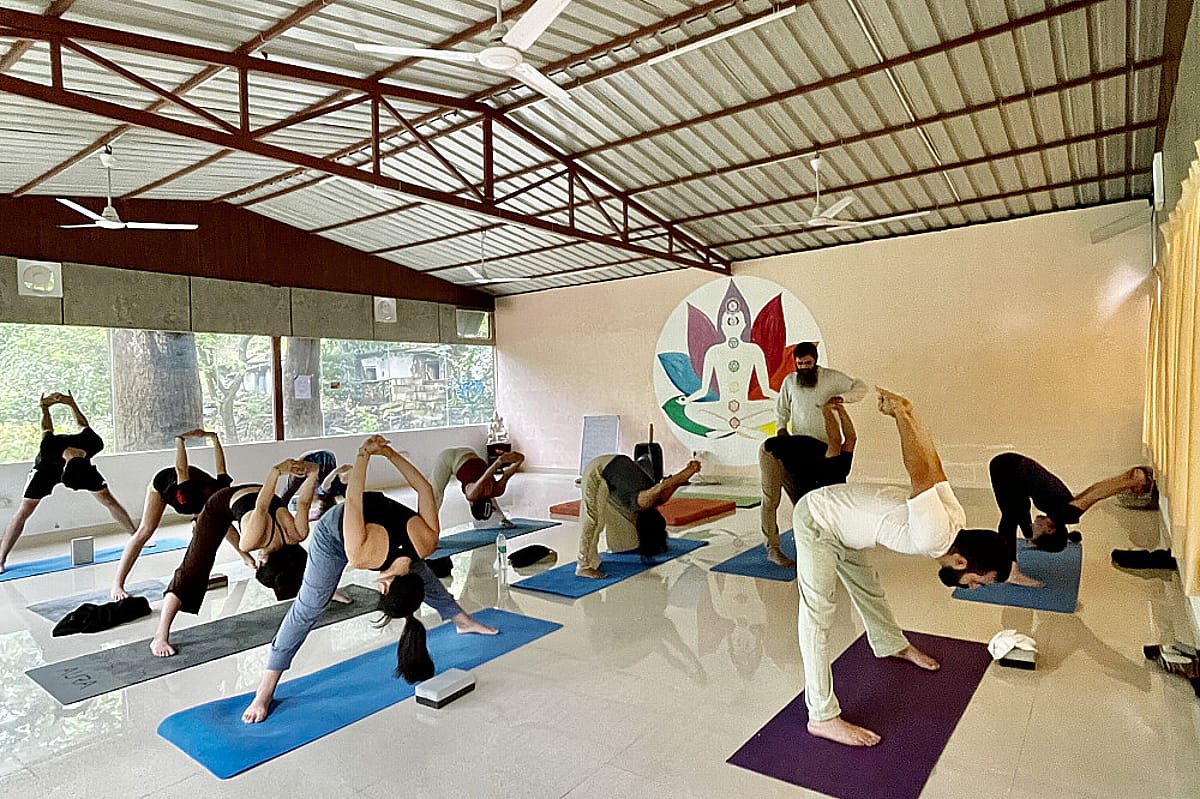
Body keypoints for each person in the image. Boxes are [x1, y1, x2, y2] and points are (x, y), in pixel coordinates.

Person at [794, 388, 1011, 747]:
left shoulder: (956, 519)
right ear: (961, 561)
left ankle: (891, 644)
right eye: (978, 582)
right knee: (817, 614)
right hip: (817, 519)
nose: (974, 587)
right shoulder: (936, 538)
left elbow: (934, 466)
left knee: (869, 589)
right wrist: (900, 416)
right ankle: (821, 715)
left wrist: (910, 415)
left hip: (842, 524)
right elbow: (920, 474)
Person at [241, 435, 497, 724]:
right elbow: (356, 499)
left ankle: (461, 621)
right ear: (383, 586)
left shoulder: (412, 546)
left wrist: (373, 454)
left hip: (355, 526)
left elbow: (418, 488)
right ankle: (264, 691)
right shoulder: (396, 548)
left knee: (418, 572)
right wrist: (377, 454)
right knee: (309, 607)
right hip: (331, 534)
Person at [149, 459, 321, 657]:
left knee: (296, 559)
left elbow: (303, 502)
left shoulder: (297, 533)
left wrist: (313, 473)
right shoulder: (254, 539)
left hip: (254, 495)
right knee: (193, 570)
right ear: (263, 563)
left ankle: (316, 589)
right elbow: (261, 507)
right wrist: (274, 472)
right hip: (218, 504)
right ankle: (160, 635)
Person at [0, 392, 135, 573]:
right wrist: (45, 408)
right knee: (24, 511)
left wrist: (72, 403)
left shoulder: (94, 444)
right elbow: (47, 428)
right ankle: (1, 559)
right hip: (45, 471)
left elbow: (83, 424)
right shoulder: (49, 447)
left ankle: (137, 535)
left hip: (81, 470)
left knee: (107, 498)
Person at [759, 343, 868, 567]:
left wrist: (841, 401)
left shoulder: (831, 379)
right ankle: (772, 548)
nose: (803, 367)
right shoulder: (790, 382)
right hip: (776, 451)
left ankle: (815, 544)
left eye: (807, 363)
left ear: (815, 361)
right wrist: (782, 430)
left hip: (810, 452)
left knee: (805, 503)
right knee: (772, 499)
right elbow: (782, 410)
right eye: (799, 364)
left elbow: (861, 388)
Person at [989, 452, 1154, 585]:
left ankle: (1012, 569)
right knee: (1011, 519)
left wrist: (1127, 479)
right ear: (1049, 529)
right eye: (1035, 532)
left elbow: (1093, 490)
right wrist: (1130, 480)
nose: (1035, 523)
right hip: (1008, 467)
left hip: (1010, 468)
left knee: (1013, 517)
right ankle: (1013, 570)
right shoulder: (1065, 513)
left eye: (1033, 532)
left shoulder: (1061, 512)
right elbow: (1096, 492)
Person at [111, 429, 233, 600]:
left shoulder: (221, 489)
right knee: (145, 530)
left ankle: (232, 562)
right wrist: (180, 440)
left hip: (195, 485)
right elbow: (181, 468)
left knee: (215, 527)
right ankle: (117, 584)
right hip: (163, 484)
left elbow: (221, 466)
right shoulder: (187, 496)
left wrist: (214, 438)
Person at [576, 454, 701, 579]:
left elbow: (670, 485)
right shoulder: (643, 501)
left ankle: (617, 546)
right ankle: (584, 566)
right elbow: (662, 485)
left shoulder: (658, 499)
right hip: (598, 472)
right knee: (593, 519)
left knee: (627, 544)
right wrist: (685, 473)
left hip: (615, 472)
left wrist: (689, 471)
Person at [431, 446, 524, 527]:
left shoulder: (472, 494)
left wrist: (500, 462)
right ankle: (502, 519)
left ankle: (428, 528)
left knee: (434, 496)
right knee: (434, 496)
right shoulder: (497, 490)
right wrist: (519, 459)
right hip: (459, 455)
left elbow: (486, 477)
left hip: (454, 458)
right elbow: (505, 473)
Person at [280, 450, 347, 519]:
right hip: (321, 461)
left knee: (290, 490)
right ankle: (279, 511)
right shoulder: (331, 490)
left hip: (320, 460)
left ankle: (279, 511)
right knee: (290, 491)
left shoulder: (327, 490)